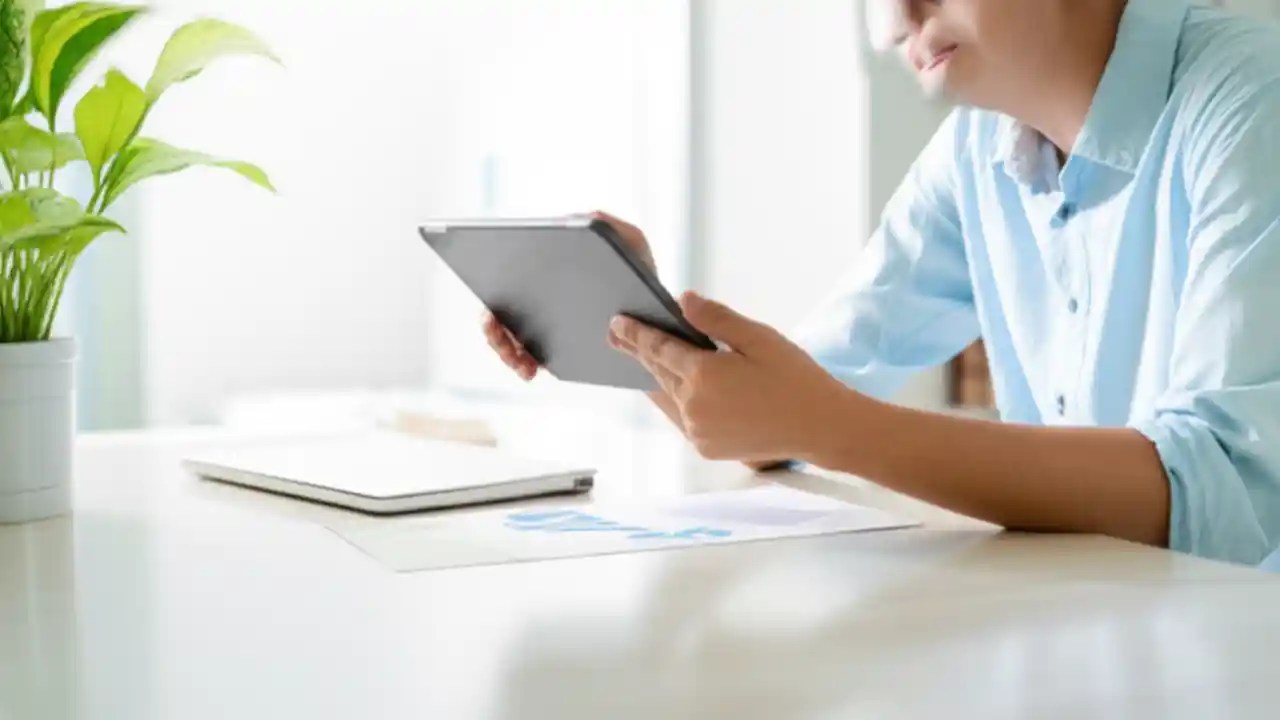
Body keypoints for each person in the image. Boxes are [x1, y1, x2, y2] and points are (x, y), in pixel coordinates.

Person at [483, 0, 1280, 567]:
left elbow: (1223, 494)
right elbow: (788, 404)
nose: (897, 16)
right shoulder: (975, 152)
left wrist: (832, 426)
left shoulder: (1253, 101)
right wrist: (631, 317)